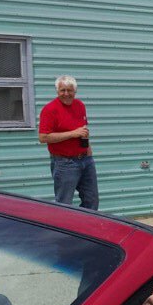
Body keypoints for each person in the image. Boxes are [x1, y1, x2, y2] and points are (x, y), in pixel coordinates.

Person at [38, 75, 99, 210]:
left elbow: (83, 130)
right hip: (64, 163)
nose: (66, 94)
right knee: (64, 203)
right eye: (62, 90)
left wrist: (88, 150)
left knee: (91, 200)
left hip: (85, 160)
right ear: (57, 91)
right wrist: (72, 134)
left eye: (69, 90)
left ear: (75, 91)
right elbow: (43, 137)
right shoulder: (50, 109)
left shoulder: (80, 105)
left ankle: (85, 223)